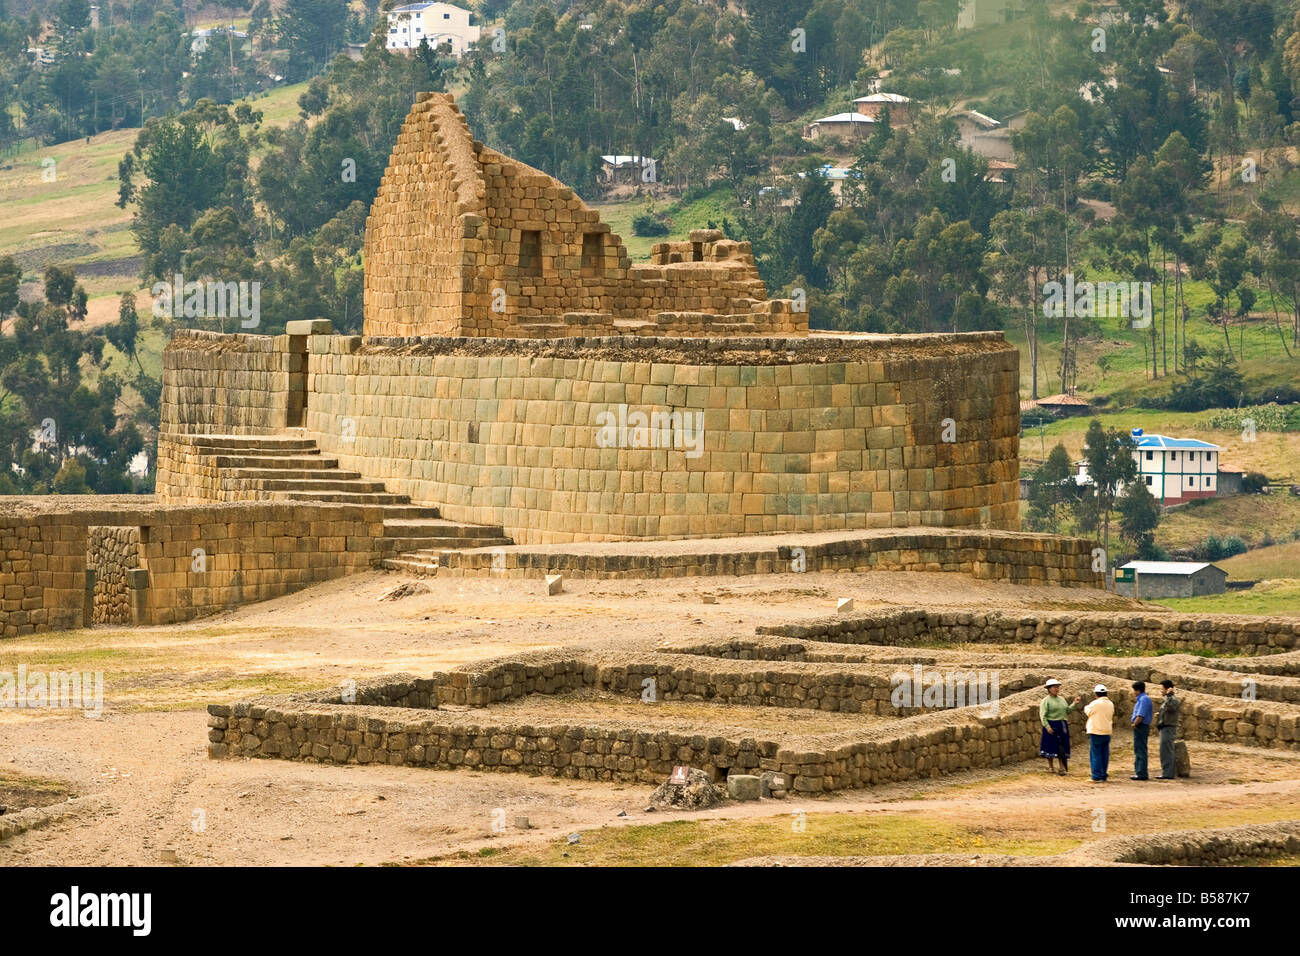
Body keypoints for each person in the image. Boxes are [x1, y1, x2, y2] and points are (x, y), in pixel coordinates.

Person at [1039, 678, 1079, 775]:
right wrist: (1047, 726)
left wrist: (1074, 703)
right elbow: (1043, 715)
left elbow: (1067, 711)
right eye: (1054, 687)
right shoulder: (1046, 701)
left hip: (1062, 725)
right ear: (1049, 689)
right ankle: (1051, 766)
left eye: (1057, 687)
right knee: (1050, 746)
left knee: (1062, 746)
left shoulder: (1062, 699)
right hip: (1051, 725)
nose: (1056, 689)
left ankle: (1061, 767)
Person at [1084, 684, 1115, 782]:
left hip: (1096, 731)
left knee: (1096, 754)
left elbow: (1088, 711)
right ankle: (1103, 774)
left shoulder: (1095, 703)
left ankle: (1096, 776)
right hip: (1107, 731)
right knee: (1104, 754)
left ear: (1096, 694)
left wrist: (1086, 707)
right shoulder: (1110, 703)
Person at [1156, 679, 1180, 780]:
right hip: (1165, 727)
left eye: (1162, 689)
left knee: (1166, 751)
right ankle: (1167, 772)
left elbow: (1171, 707)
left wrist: (1170, 695)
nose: (1161, 691)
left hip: (1168, 728)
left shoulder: (1172, 699)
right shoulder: (1168, 699)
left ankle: (1168, 773)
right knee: (1164, 751)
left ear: (1167, 689)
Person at [1130, 681, 1153, 780]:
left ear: (1138, 690)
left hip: (1141, 726)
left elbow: (1141, 715)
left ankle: (1141, 773)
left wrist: (1135, 723)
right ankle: (1140, 771)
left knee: (1140, 750)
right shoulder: (1144, 699)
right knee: (1140, 749)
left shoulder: (1143, 700)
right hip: (1142, 726)